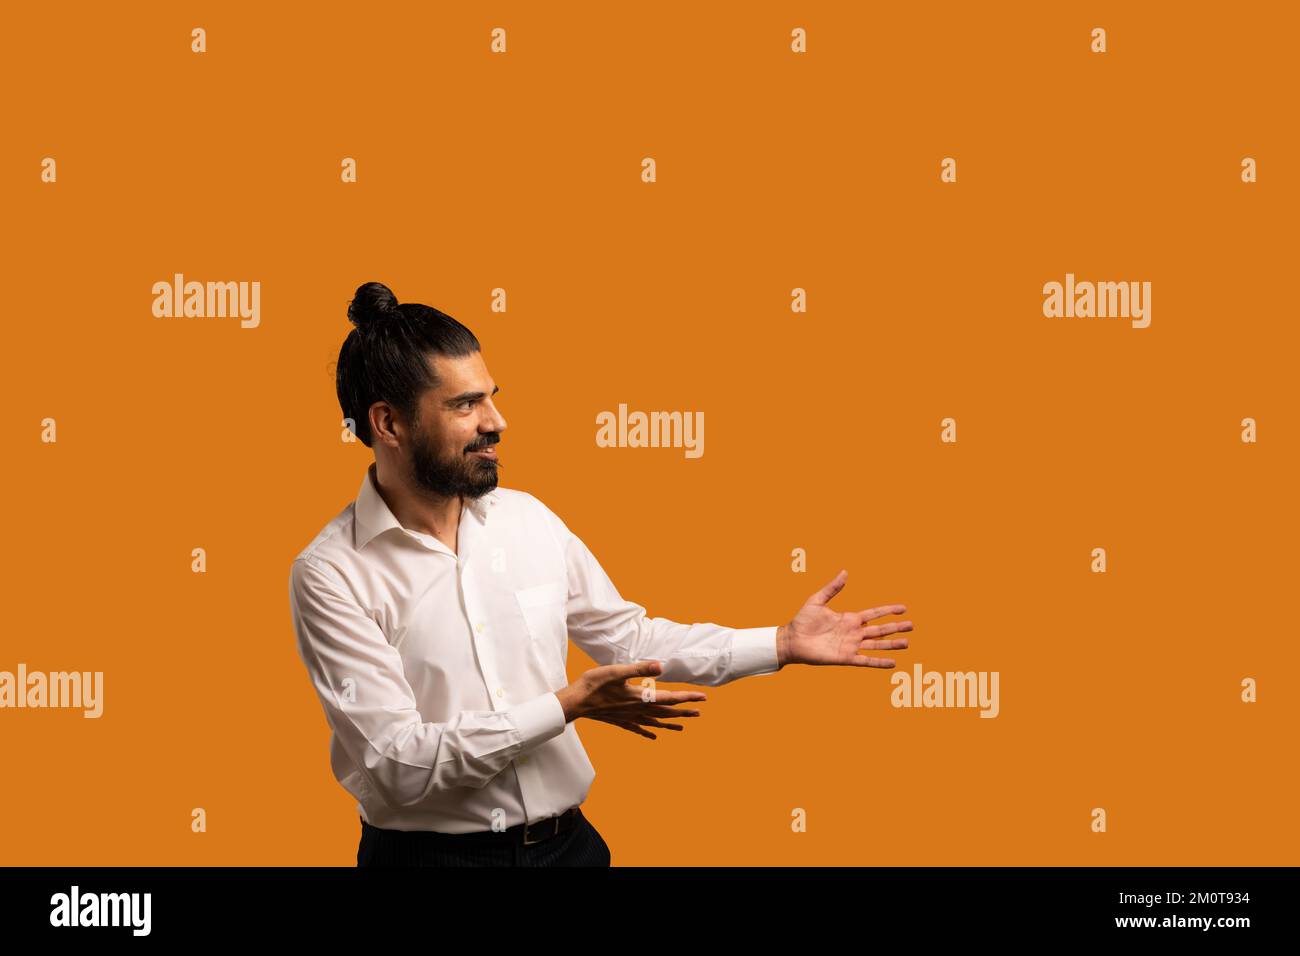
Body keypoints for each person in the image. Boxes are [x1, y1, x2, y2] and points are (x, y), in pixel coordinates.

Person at [288, 281, 915, 866]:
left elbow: (631, 642)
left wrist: (778, 643)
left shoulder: (528, 521)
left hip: (570, 852)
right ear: (388, 423)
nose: (496, 423)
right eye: (465, 404)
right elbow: (397, 761)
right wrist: (565, 706)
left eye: (492, 398)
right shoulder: (331, 574)